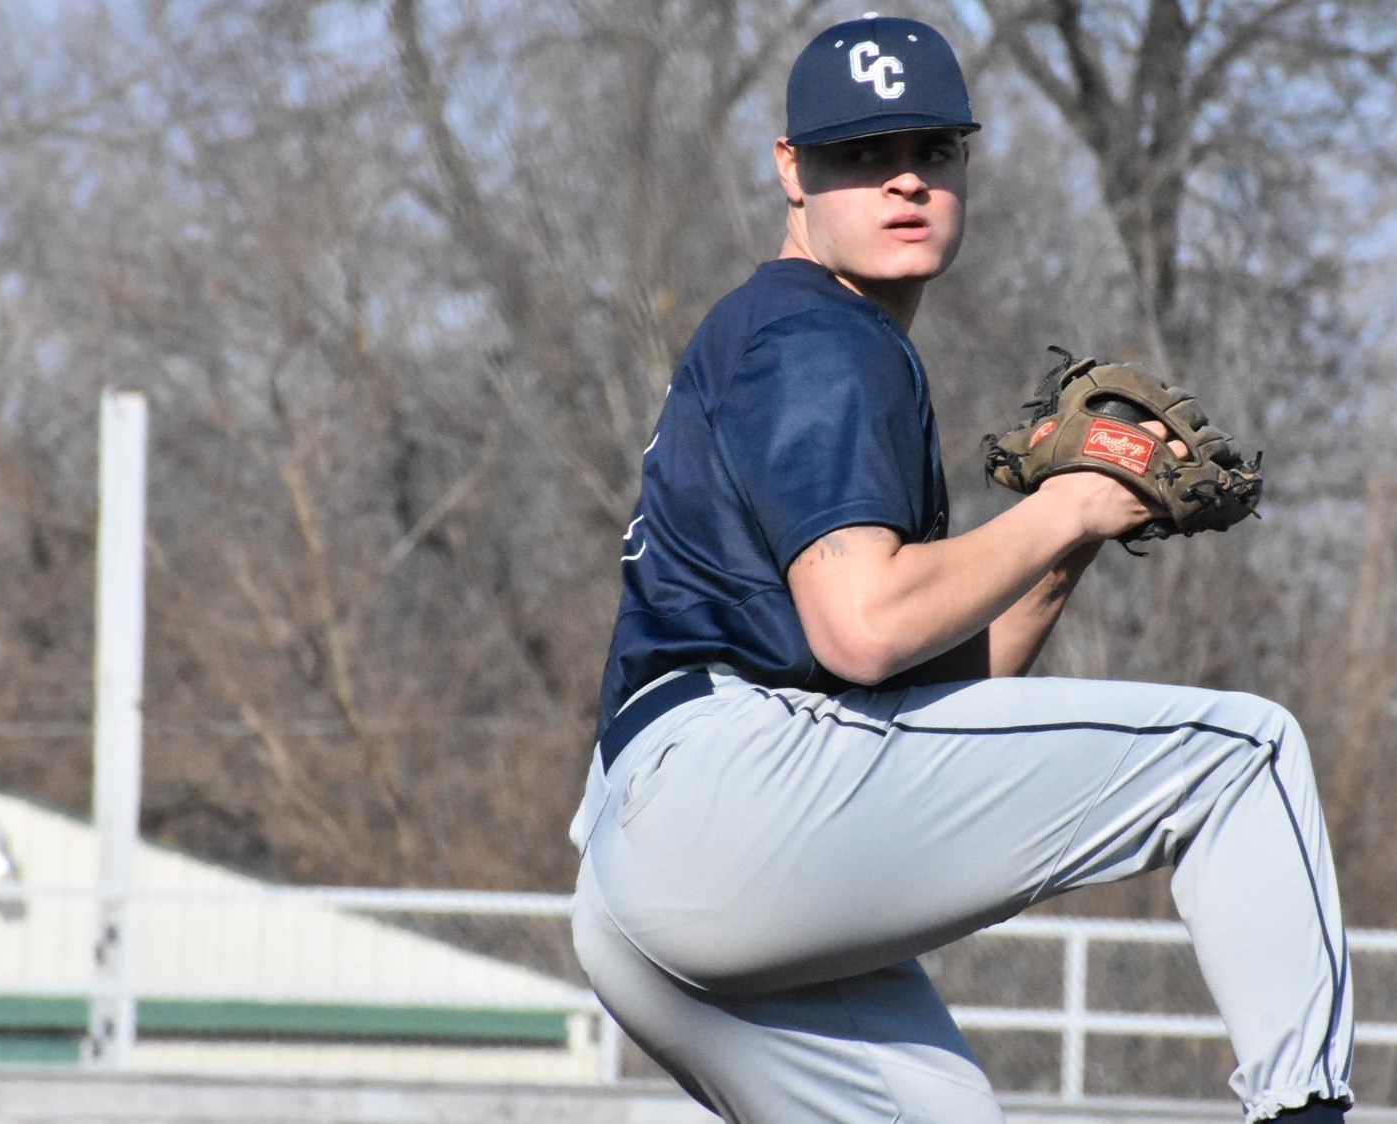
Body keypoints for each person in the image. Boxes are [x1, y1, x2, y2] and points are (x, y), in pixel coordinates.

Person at [568, 14, 1353, 1122]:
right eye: (859, 156)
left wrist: (1064, 537)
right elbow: (862, 628)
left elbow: (931, 707)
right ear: (789, 168)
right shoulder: (813, 336)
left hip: (663, 870)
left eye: (930, 151)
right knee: (1240, 754)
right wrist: (1071, 499)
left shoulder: (800, 337)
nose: (903, 183)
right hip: (725, 789)